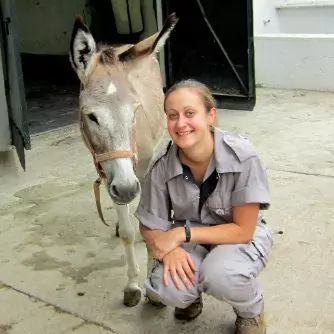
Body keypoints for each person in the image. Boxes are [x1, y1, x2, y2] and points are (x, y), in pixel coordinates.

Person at [134, 79, 273, 334]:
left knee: (221, 274)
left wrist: (180, 234)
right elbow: (149, 224)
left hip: (238, 237)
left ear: (210, 115)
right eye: (172, 116)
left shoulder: (243, 157)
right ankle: (189, 297)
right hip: (191, 240)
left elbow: (243, 230)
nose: (180, 124)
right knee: (165, 285)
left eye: (190, 113)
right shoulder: (161, 166)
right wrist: (170, 251)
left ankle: (250, 311)